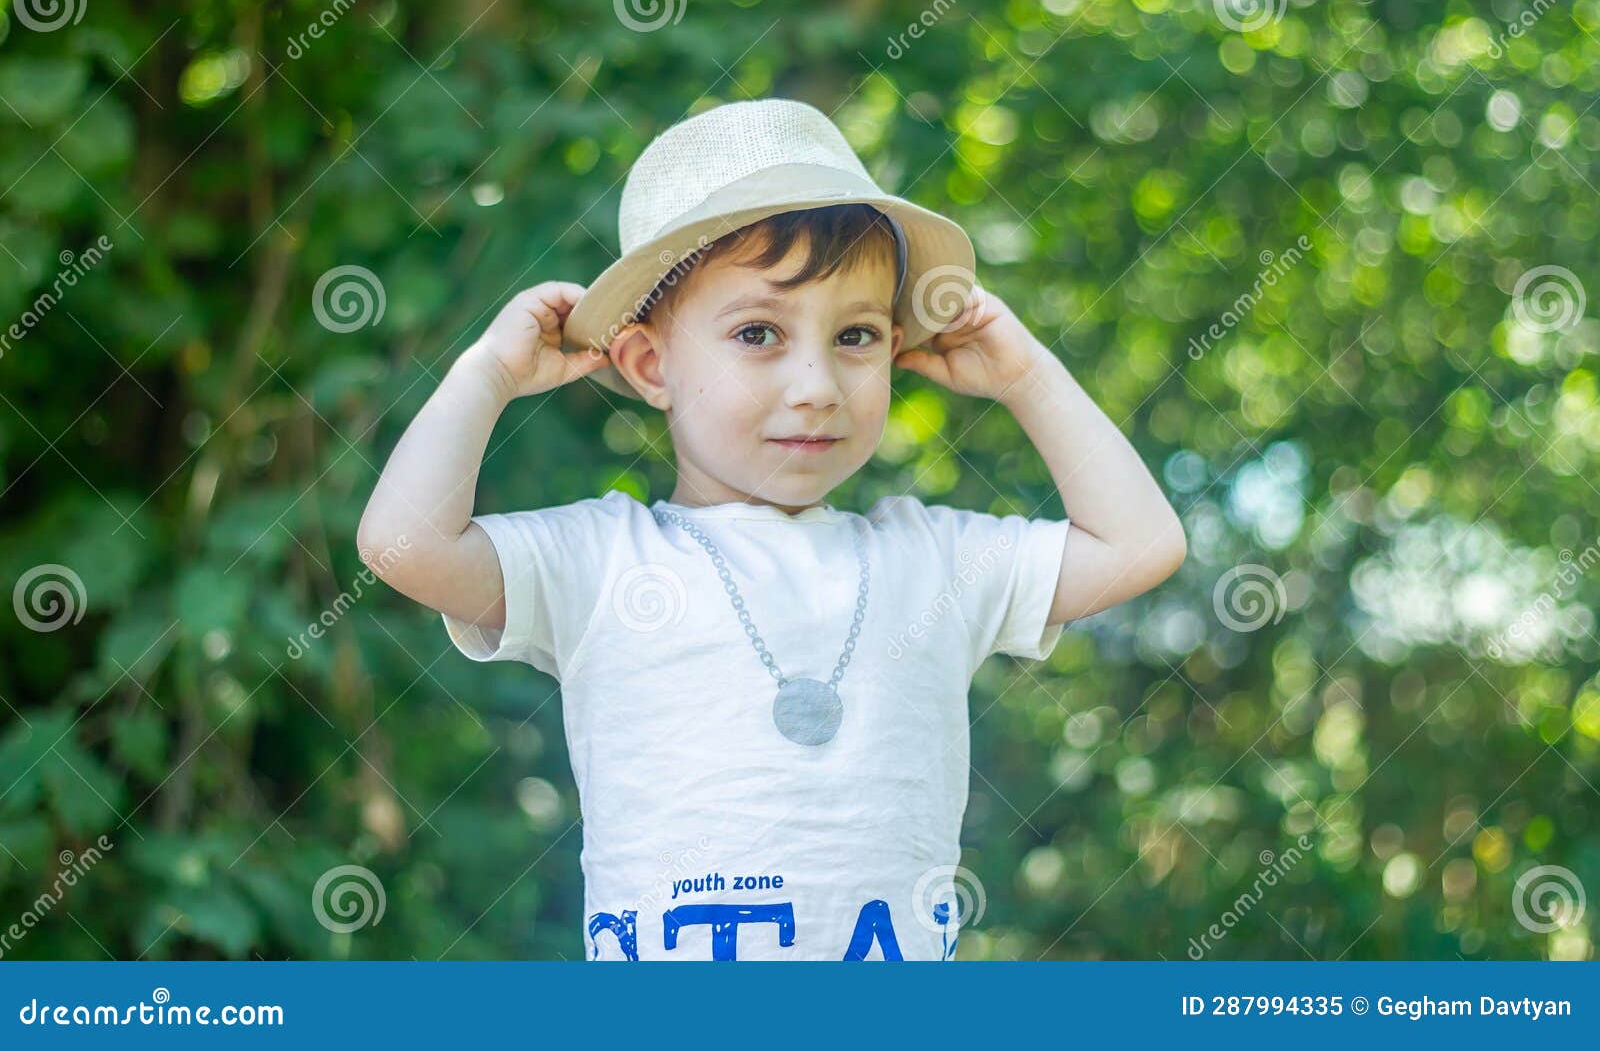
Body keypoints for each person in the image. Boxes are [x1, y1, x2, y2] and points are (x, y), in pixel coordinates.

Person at [357, 97, 1187, 960]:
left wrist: (1026, 376)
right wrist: (487, 373)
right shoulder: (602, 562)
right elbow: (406, 546)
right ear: (650, 364)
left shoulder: (932, 561)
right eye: (758, 333)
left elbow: (1140, 545)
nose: (817, 385)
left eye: (856, 335)